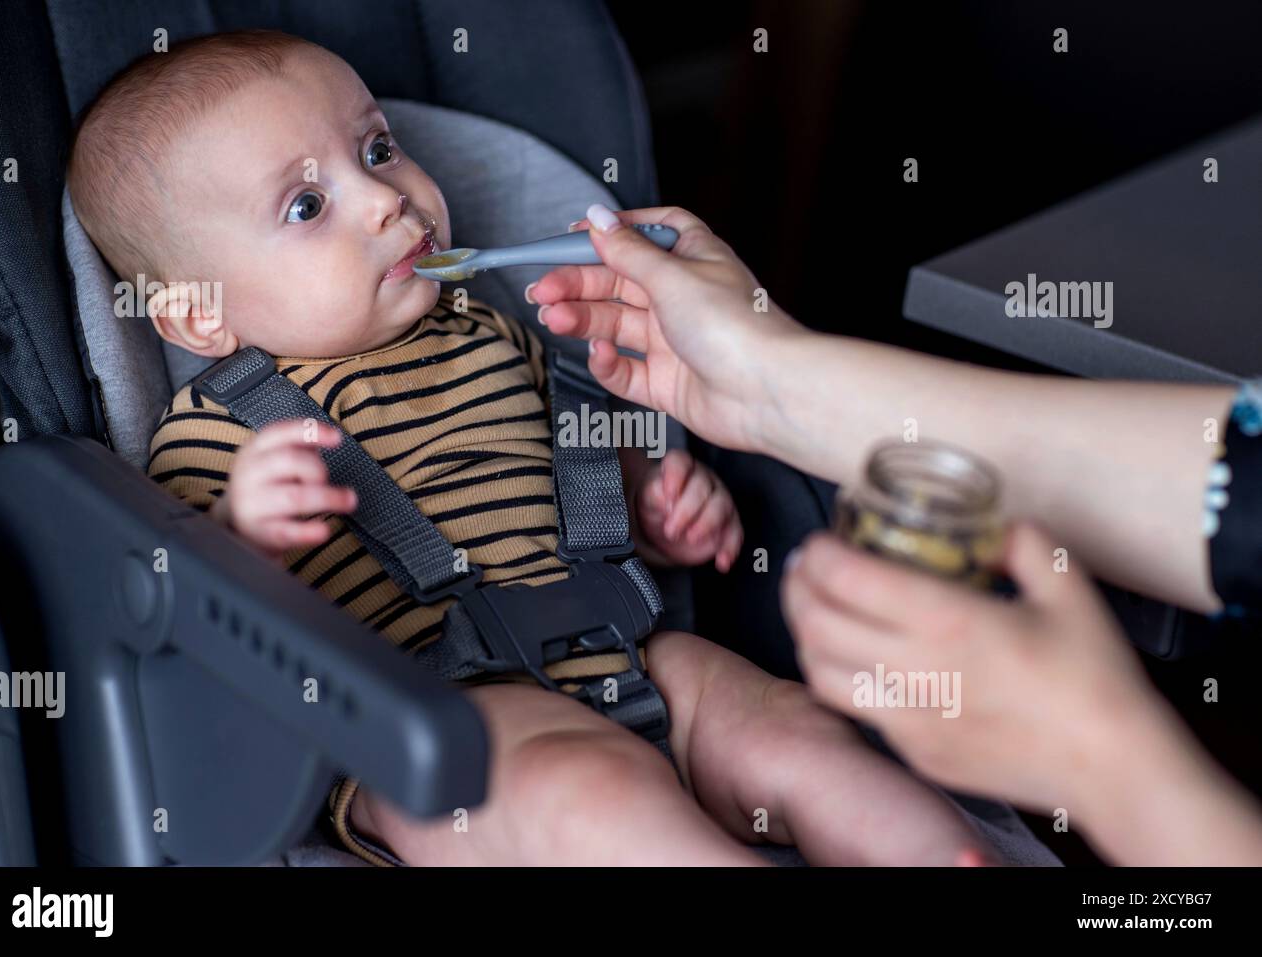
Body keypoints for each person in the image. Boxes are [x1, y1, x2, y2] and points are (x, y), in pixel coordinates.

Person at [71, 30, 1000, 866]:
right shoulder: (217, 429)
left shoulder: (493, 331)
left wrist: (657, 500)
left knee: (786, 726)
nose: (387, 202)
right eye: (308, 205)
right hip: (424, 723)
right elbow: (185, 620)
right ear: (197, 311)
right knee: (587, 793)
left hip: (615, 649)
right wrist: (249, 532)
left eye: (378, 150)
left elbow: (576, 459)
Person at [532, 201, 1262, 864]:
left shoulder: (518, 353)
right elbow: (1241, 499)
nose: (407, 192)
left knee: (801, 740)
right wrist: (769, 378)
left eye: (408, 152)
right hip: (494, 701)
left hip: (655, 662)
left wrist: (1096, 747)